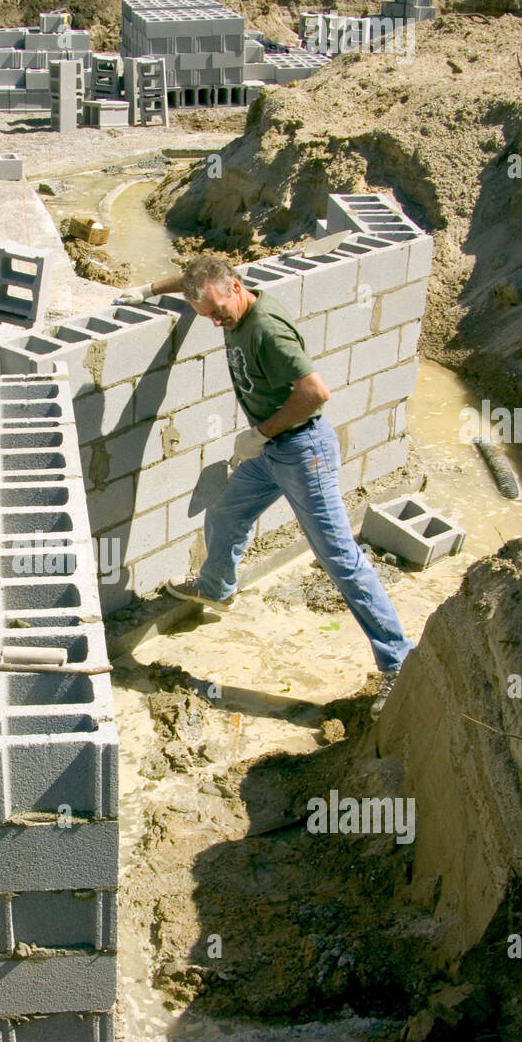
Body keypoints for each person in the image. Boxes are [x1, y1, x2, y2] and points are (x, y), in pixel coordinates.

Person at [116, 256, 415, 717]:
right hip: (271, 453)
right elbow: (194, 277)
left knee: (339, 558)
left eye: (219, 312)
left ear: (236, 287)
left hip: (302, 451)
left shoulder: (266, 331)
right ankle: (216, 588)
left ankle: (399, 661)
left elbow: (316, 392)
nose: (216, 322)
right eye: (207, 317)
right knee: (224, 514)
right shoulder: (215, 291)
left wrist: (259, 434)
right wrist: (150, 289)